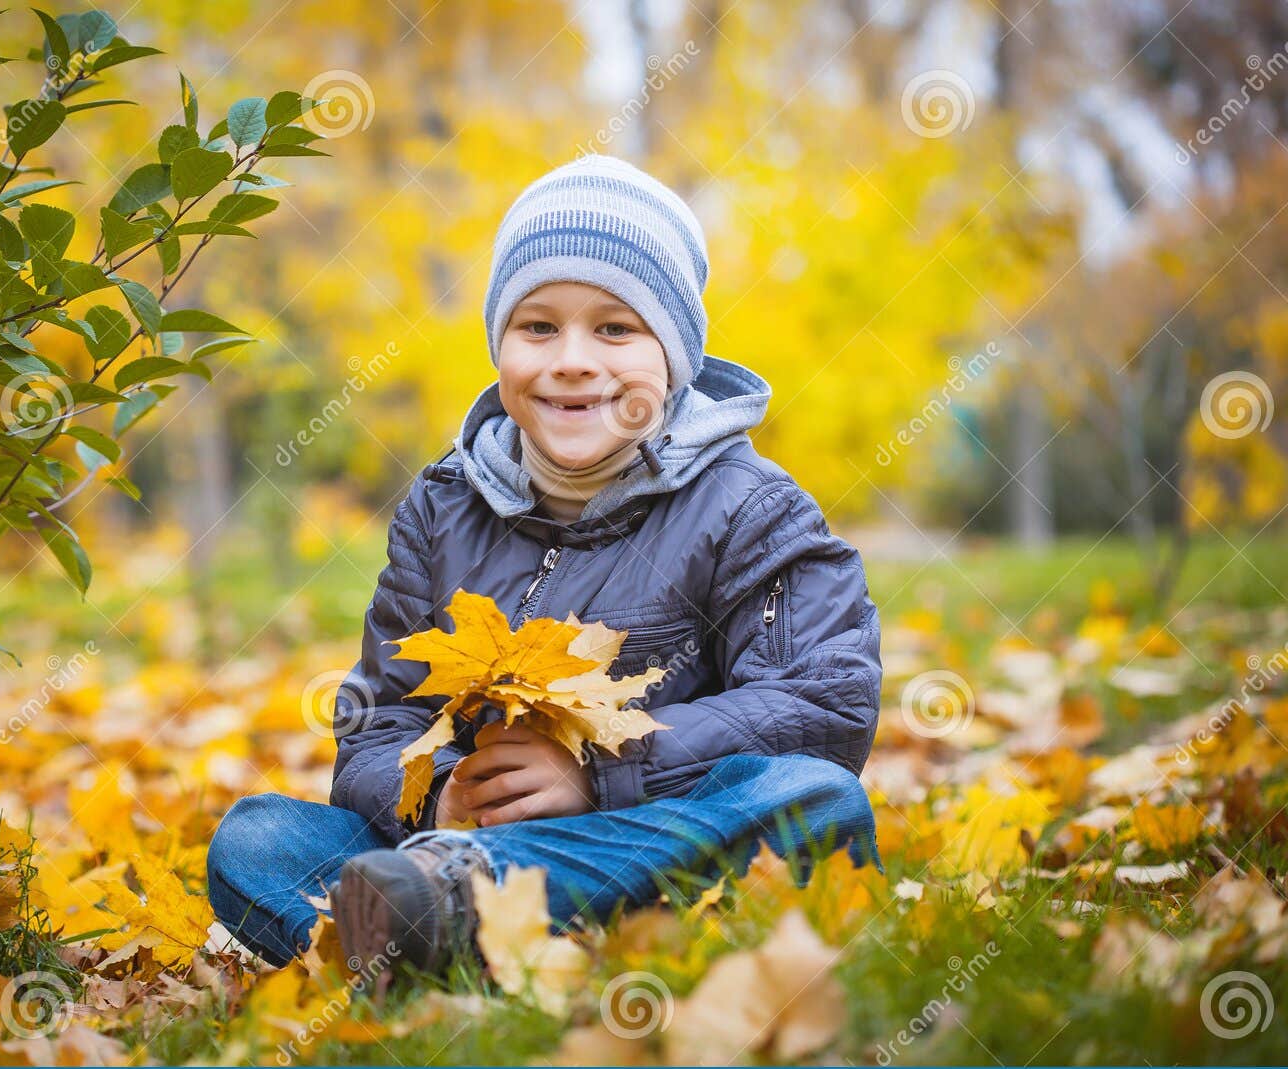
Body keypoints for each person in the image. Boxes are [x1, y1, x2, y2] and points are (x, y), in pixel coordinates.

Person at [207, 154, 884, 980]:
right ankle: (462, 926)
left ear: (673, 352)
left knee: (814, 802)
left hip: (648, 838)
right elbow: (376, 723)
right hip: (453, 838)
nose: (571, 359)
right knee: (255, 840)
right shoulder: (440, 509)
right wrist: (439, 796)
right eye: (538, 327)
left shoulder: (749, 505)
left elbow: (823, 702)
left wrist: (600, 771)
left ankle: (460, 927)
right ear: (501, 345)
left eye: (614, 328)